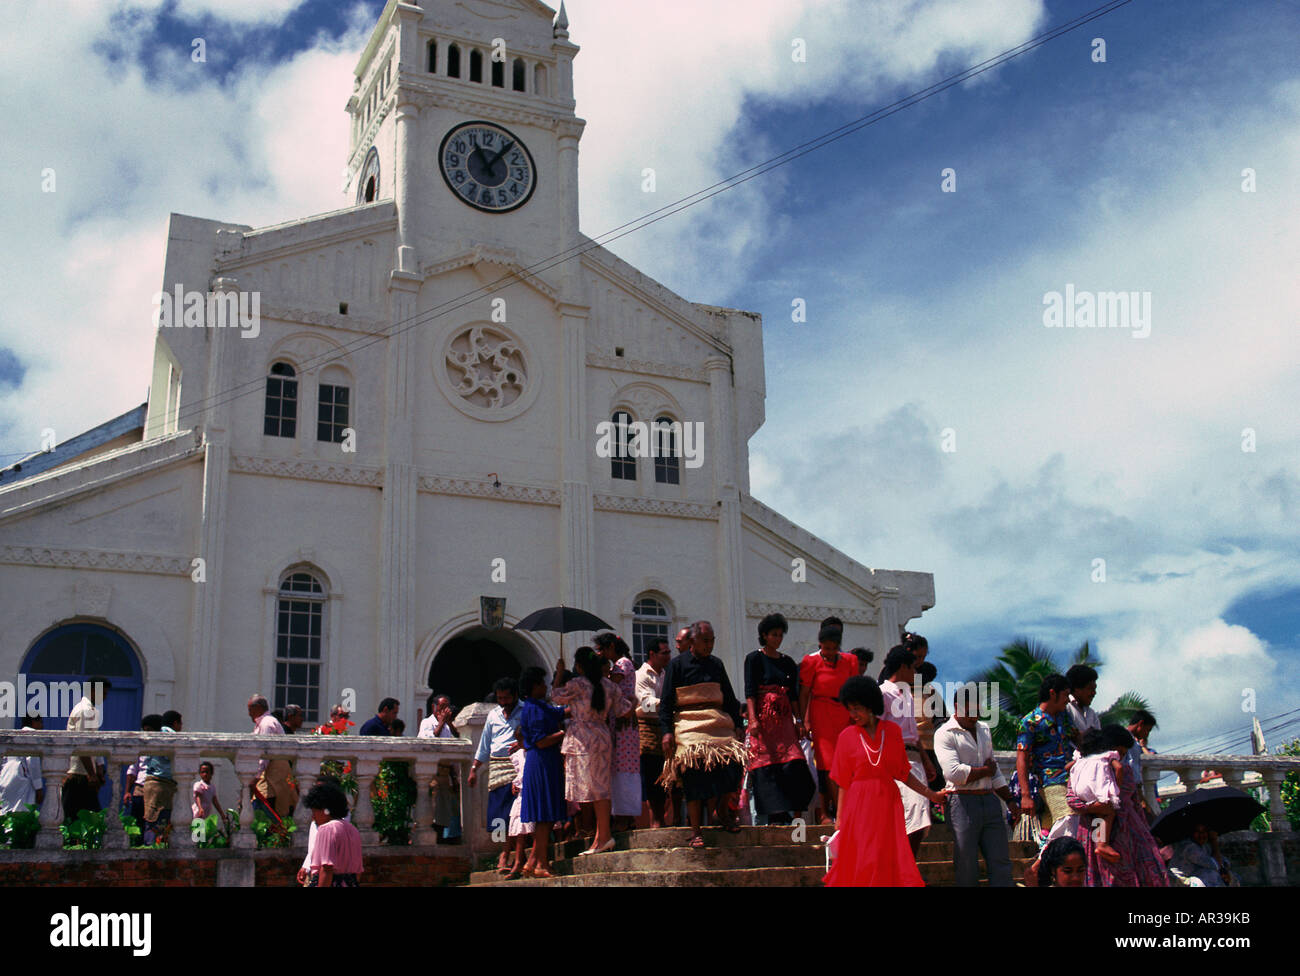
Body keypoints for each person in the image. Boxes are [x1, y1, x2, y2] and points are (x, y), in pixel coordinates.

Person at [824, 676, 948, 887]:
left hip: (888, 805)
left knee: (884, 857)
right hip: (858, 806)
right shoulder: (846, 736)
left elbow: (904, 774)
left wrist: (932, 794)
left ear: (870, 704)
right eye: (850, 709)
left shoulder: (892, 732)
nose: (853, 715)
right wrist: (839, 819)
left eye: (857, 708)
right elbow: (843, 782)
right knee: (863, 858)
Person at [659, 620, 748, 848]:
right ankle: (696, 829)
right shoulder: (677, 666)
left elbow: (728, 697)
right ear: (693, 641)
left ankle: (722, 812)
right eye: (705, 641)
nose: (709, 645)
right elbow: (667, 703)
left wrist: (738, 723)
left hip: (717, 723)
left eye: (712, 641)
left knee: (734, 762)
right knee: (694, 771)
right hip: (688, 725)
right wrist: (667, 732)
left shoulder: (716, 665)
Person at [1066, 724, 1170, 887]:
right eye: (1119, 751)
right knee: (1102, 871)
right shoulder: (1085, 768)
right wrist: (1097, 807)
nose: (1120, 756)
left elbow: (1133, 802)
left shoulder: (1123, 771)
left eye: (1123, 753)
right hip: (1095, 828)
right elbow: (1072, 799)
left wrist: (1146, 831)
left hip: (1126, 831)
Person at [933, 693, 1019, 887]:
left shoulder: (984, 729)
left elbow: (994, 770)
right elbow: (954, 773)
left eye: (977, 710)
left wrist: (1010, 800)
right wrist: (985, 771)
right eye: (970, 711)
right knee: (966, 862)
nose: (975, 716)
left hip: (989, 799)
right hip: (961, 802)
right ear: (957, 707)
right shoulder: (945, 733)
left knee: (1000, 859)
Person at [552, 646, 628, 855]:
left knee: (595, 790)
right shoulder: (609, 686)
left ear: (579, 666)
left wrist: (559, 673)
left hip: (583, 738)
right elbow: (623, 709)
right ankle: (601, 836)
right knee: (600, 789)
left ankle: (603, 837)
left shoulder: (577, 684)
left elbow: (556, 697)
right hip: (602, 736)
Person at [744, 613, 814, 824]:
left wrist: (799, 721)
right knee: (767, 765)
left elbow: (793, 695)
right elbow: (750, 692)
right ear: (764, 635)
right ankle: (775, 814)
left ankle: (797, 816)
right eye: (773, 634)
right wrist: (753, 719)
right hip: (764, 722)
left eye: (780, 635)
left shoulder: (788, 662)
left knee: (795, 764)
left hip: (784, 722)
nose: (777, 639)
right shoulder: (754, 658)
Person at [879, 644, 937, 854]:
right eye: (912, 667)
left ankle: (906, 869)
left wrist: (926, 760)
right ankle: (905, 870)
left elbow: (914, 735)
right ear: (903, 667)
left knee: (919, 817)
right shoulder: (883, 693)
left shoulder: (908, 696)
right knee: (914, 814)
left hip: (915, 761)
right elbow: (875, 732)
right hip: (894, 761)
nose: (915, 672)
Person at [799, 620, 856, 823]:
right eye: (826, 648)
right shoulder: (810, 661)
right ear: (820, 644)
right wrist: (805, 720)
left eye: (834, 648)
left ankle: (846, 808)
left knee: (846, 763)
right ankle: (837, 811)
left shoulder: (850, 661)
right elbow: (805, 693)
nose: (830, 652)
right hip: (821, 713)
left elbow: (854, 689)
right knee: (828, 764)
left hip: (844, 713)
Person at [467, 677, 522, 870]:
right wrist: (474, 769)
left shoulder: (525, 711)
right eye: (500, 698)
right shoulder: (493, 715)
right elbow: (484, 745)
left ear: (515, 695)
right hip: (497, 767)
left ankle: (507, 855)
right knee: (498, 815)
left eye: (507, 698)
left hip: (518, 766)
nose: (504, 702)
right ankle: (502, 851)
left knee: (515, 813)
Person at [516, 666, 566, 878]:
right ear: (534, 686)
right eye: (542, 683)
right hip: (541, 761)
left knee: (545, 816)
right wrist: (563, 733)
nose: (545, 687)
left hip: (546, 761)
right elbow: (541, 741)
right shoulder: (533, 709)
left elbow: (560, 711)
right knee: (544, 816)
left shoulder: (538, 705)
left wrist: (560, 676)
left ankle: (533, 861)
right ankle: (541, 864)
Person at [1015, 674, 1075, 834]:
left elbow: (1078, 740)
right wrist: (1025, 795)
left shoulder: (1064, 717)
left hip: (1072, 779)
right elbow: (1021, 759)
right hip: (1050, 781)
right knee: (1068, 821)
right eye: (1065, 695)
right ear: (1052, 693)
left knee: (1056, 828)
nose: (1068, 700)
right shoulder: (1030, 722)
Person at [596, 633, 641, 829]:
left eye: (603, 649)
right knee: (618, 767)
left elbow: (610, 684)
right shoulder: (620, 664)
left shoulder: (622, 663)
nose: (602, 653)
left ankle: (625, 815)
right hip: (617, 720)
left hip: (624, 721)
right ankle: (622, 815)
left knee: (624, 768)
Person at [1070, 727, 1125, 863]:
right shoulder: (1106, 756)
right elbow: (1119, 768)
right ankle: (1102, 845)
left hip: (1081, 791)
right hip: (1097, 789)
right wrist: (1116, 789)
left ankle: (1096, 843)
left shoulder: (1080, 758)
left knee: (1098, 814)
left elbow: (1067, 768)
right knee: (1109, 812)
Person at [636, 637, 675, 827]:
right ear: (652, 654)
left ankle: (663, 818)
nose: (668, 656)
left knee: (667, 774)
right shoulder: (642, 675)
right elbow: (646, 704)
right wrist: (671, 704)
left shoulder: (666, 674)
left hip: (665, 727)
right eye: (664, 653)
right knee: (653, 775)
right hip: (648, 730)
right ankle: (656, 820)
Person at [63, 676, 110, 823]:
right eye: (103, 693)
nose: (105, 697)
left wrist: (99, 769)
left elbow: (91, 744)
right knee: (73, 816)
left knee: (82, 817)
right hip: (78, 774)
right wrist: (92, 774)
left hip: (84, 773)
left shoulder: (91, 711)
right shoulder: (84, 711)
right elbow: (82, 746)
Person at [303, 782, 363, 887]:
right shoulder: (353, 829)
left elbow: (326, 869)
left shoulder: (326, 829)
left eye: (314, 812)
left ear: (325, 810)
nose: (313, 817)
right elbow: (358, 872)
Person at [419, 693, 461, 842]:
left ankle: (444, 839)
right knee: (432, 808)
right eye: (441, 707)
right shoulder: (427, 723)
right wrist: (441, 723)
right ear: (434, 707)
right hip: (432, 773)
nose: (444, 711)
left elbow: (458, 742)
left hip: (445, 773)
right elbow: (430, 742)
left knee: (444, 811)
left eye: (446, 707)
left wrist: (448, 723)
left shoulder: (449, 727)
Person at [247, 694, 295, 819]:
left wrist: (256, 777)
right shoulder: (264, 722)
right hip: (270, 772)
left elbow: (265, 753)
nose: (249, 714)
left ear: (257, 707)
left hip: (273, 771)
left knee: (267, 809)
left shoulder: (267, 723)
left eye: (250, 710)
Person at [140, 710, 181, 845]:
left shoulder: (160, 733)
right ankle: (152, 848)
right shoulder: (169, 734)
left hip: (157, 783)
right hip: (161, 783)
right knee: (157, 821)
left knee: (154, 819)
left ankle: (152, 847)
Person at [1169, 823, 1239, 887]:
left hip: (1192, 878)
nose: (1201, 835)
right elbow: (1215, 865)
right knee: (1211, 874)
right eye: (1197, 832)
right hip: (1179, 882)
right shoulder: (1189, 847)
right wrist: (1214, 842)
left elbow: (1224, 862)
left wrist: (1225, 869)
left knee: (1232, 876)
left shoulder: (1204, 846)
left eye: (1204, 832)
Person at [0, 715, 43, 814]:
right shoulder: (31, 735)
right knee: (21, 811)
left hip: (7, 775)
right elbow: (33, 762)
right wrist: (39, 787)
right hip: (21, 776)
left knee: (7, 811)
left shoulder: (15, 735)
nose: (42, 726)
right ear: (33, 722)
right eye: (40, 722)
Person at [503, 745, 533, 879]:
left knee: (535, 826)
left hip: (534, 791)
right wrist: (516, 782)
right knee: (518, 826)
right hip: (522, 794)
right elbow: (519, 772)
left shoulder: (535, 752)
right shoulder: (519, 755)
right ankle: (519, 860)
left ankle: (533, 859)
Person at [1124, 709, 1158, 820]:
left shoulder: (1135, 744)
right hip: (1128, 790)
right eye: (1147, 730)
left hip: (1135, 790)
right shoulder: (1124, 738)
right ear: (1140, 724)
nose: (1146, 734)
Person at [1065, 664, 1101, 741]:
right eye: (1090, 689)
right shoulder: (1066, 708)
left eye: (1094, 689)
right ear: (1077, 688)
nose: (1094, 693)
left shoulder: (1092, 714)